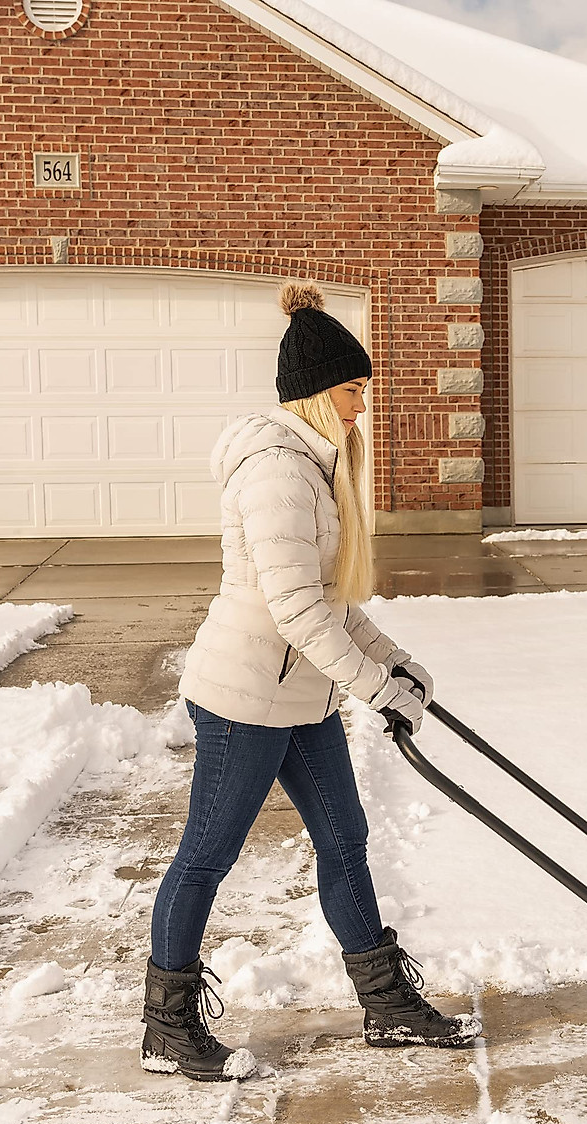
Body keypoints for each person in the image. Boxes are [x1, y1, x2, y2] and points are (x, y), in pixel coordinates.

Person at [140, 280, 481, 1082]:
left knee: (344, 838)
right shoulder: (276, 473)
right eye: (353, 391)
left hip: (298, 693)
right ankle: (166, 1027)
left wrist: (398, 663)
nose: (363, 407)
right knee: (207, 854)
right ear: (315, 394)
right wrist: (374, 687)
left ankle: (388, 1007)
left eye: (363, 390)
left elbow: (331, 599)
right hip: (245, 696)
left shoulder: (315, 464)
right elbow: (295, 612)